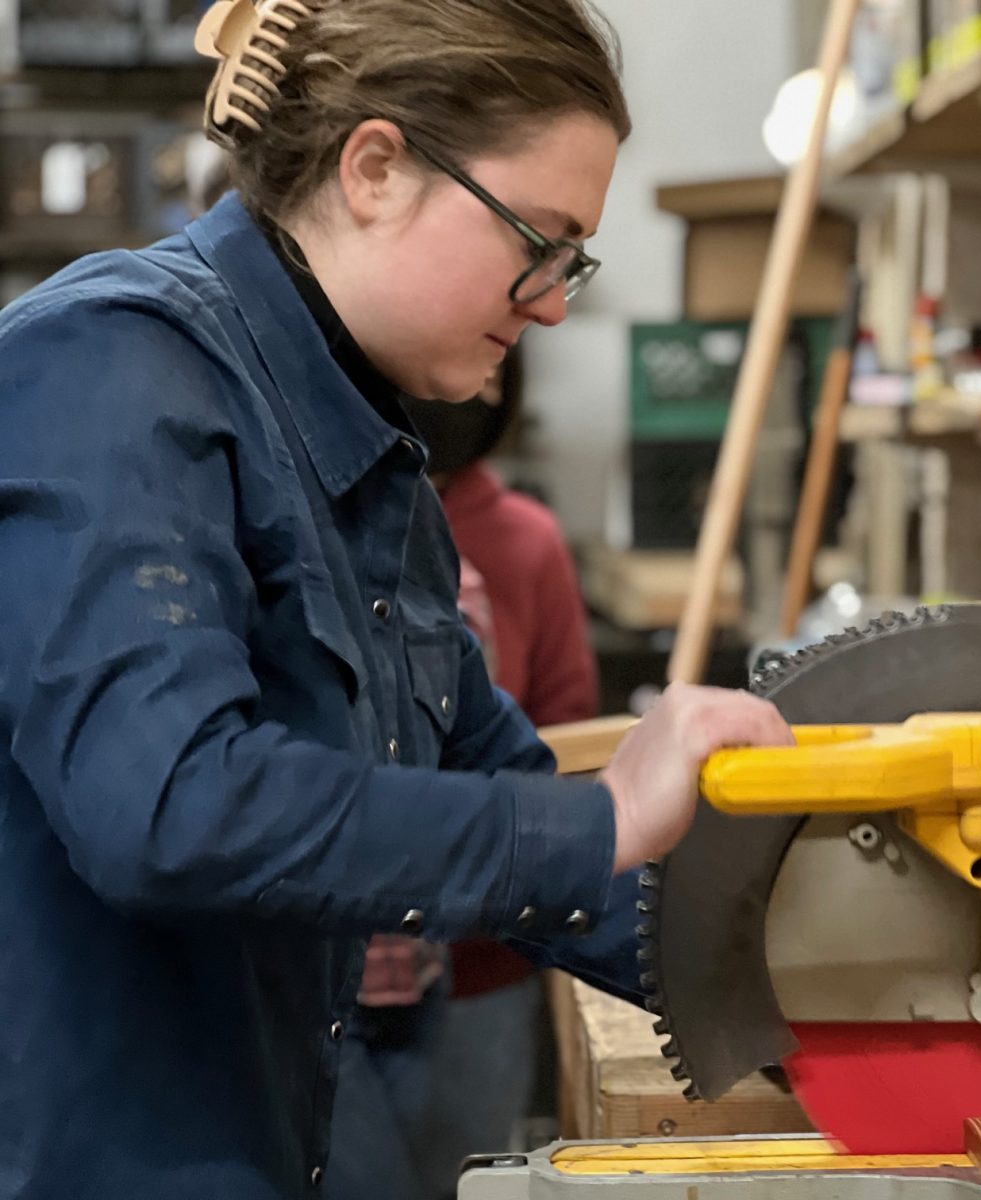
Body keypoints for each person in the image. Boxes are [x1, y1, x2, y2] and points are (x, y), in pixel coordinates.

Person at [0, 2, 792, 1198]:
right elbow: (166, 808)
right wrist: (603, 817)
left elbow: (496, 803)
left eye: (573, 259)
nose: (554, 302)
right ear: (374, 168)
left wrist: (827, 972)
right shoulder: (110, 368)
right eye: (542, 238)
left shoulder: (374, 473)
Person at [323, 368, 602, 1200]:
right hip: (323, 966)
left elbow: (548, 750)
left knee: (459, 1173)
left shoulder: (504, 544)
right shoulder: (310, 528)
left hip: (470, 963)